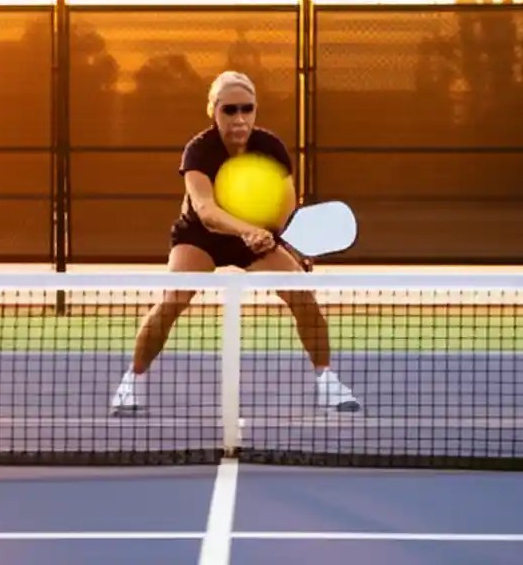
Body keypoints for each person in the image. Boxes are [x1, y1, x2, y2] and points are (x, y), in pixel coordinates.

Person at [109, 70, 361, 415]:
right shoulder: (199, 151)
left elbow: (286, 208)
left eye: (247, 109)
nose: (239, 118)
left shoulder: (270, 148)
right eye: (229, 110)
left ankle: (328, 381)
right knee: (173, 300)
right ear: (213, 110)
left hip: (256, 238)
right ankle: (131, 383)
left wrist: (279, 239)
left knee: (302, 294)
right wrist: (247, 230)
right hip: (201, 236)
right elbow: (206, 211)